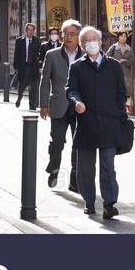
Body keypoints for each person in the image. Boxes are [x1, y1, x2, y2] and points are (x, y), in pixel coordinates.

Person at [66, 24, 127, 219]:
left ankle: (109, 203)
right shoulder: (77, 67)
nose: (92, 43)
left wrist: (118, 113)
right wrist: (77, 102)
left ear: (101, 42)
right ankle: (89, 201)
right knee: (85, 166)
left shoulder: (114, 66)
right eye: (88, 40)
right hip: (86, 122)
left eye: (95, 39)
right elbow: (71, 89)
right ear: (82, 45)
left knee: (108, 165)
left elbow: (121, 93)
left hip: (109, 123)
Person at [39, 19, 83, 192]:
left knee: (78, 144)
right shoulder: (52, 54)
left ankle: (75, 179)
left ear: (78, 36)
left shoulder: (85, 54)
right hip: (58, 104)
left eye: (72, 34)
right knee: (57, 143)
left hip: (80, 106)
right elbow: (44, 81)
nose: (68, 37)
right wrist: (43, 104)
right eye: (65, 33)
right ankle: (54, 171)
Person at [13, 23, 41, 109]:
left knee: (33, 87)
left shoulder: (37, 41)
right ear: (26, 30)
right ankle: (19, 98)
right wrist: (16, 66)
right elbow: (16, 54)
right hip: (23, 66)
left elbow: (39, 54)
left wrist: (39, 66)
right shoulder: (19, 41)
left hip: (33, 67)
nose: (31, 32)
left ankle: (32, 105)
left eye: (32, 30)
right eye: (29, 30)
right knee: (22, 86)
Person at [107, 31, 135, 103]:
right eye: (121, 36)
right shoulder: (113, 47)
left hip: (126, 75)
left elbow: (133, 62)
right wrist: (115, 62)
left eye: (125, 36)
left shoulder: (129, 49)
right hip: (114, 73)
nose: (123, 38)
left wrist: (125, 61)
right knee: (114, 92)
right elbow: (106, 59)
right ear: (118, 37)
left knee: (124, 94)